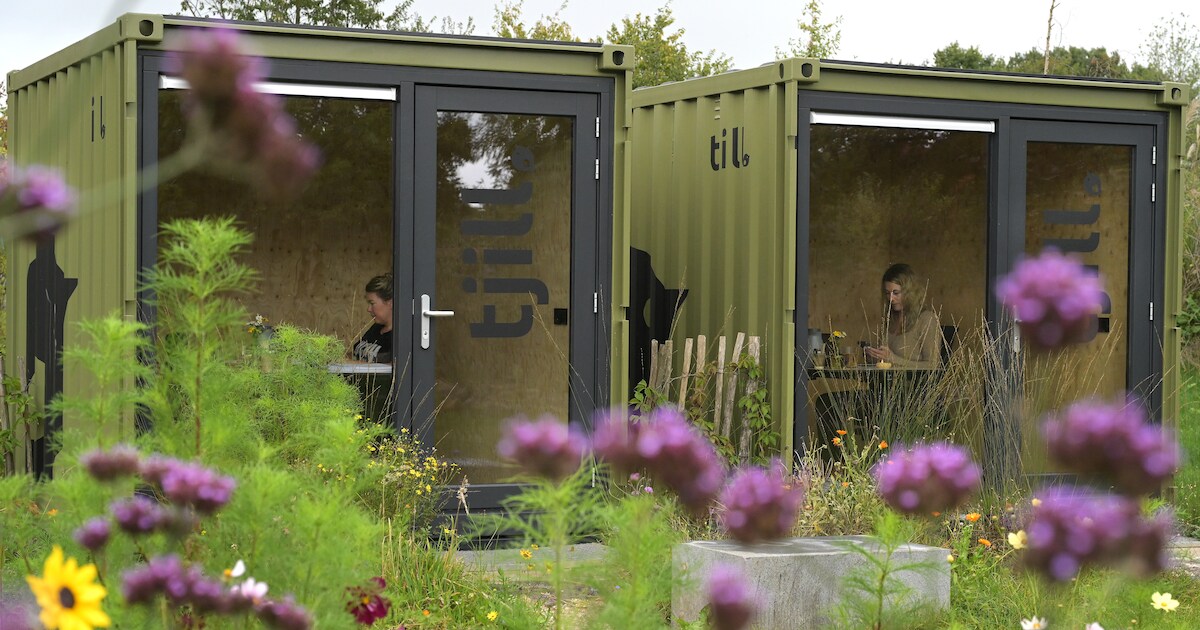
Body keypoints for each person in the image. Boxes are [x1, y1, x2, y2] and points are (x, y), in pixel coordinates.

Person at [864, 263, 942, 369]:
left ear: (909, 292)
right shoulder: (889, 320)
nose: (891, 299)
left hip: (913, 384)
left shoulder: (927, 319)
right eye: (887, 293)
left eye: (896, 293)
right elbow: (885, 362)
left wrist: (893, 359)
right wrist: (873, 356)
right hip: (887, 383)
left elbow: (933, 366)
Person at [352, 273, 394, 363]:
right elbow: (356, 348)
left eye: (372, 303)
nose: (369, 309)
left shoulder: (399, 336)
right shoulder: (376, 328)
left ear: (390, 303)